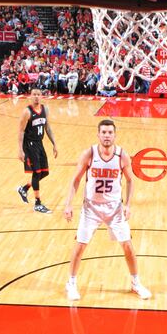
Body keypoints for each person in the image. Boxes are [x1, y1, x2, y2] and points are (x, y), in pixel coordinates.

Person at [61, 119, 151, 302]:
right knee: (80, 245)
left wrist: (128, 205)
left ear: (115, 135)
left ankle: (136, 282)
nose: (107, 135)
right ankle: (71, 283)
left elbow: (131, 180)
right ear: (98, 134)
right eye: (104, 132)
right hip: (91, 207)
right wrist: (68, 204)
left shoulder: (122, 155)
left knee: (128, 246)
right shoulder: (89, 153)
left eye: (110, 132)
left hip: (114, 208)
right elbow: (76, 179)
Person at [16, 88, 57, 213]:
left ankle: (24, 188)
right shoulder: (27, 112)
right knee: (37, 172)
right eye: (34, 94)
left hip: (39, 144)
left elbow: (48, 127)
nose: (36, 97)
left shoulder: (45, 109)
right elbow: (21, 131)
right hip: (29, 145)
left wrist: (54, 144)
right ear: (30, 96)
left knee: (44, 172)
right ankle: (38, 203)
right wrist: (20, 149)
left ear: (42, 96)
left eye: (38, 95)